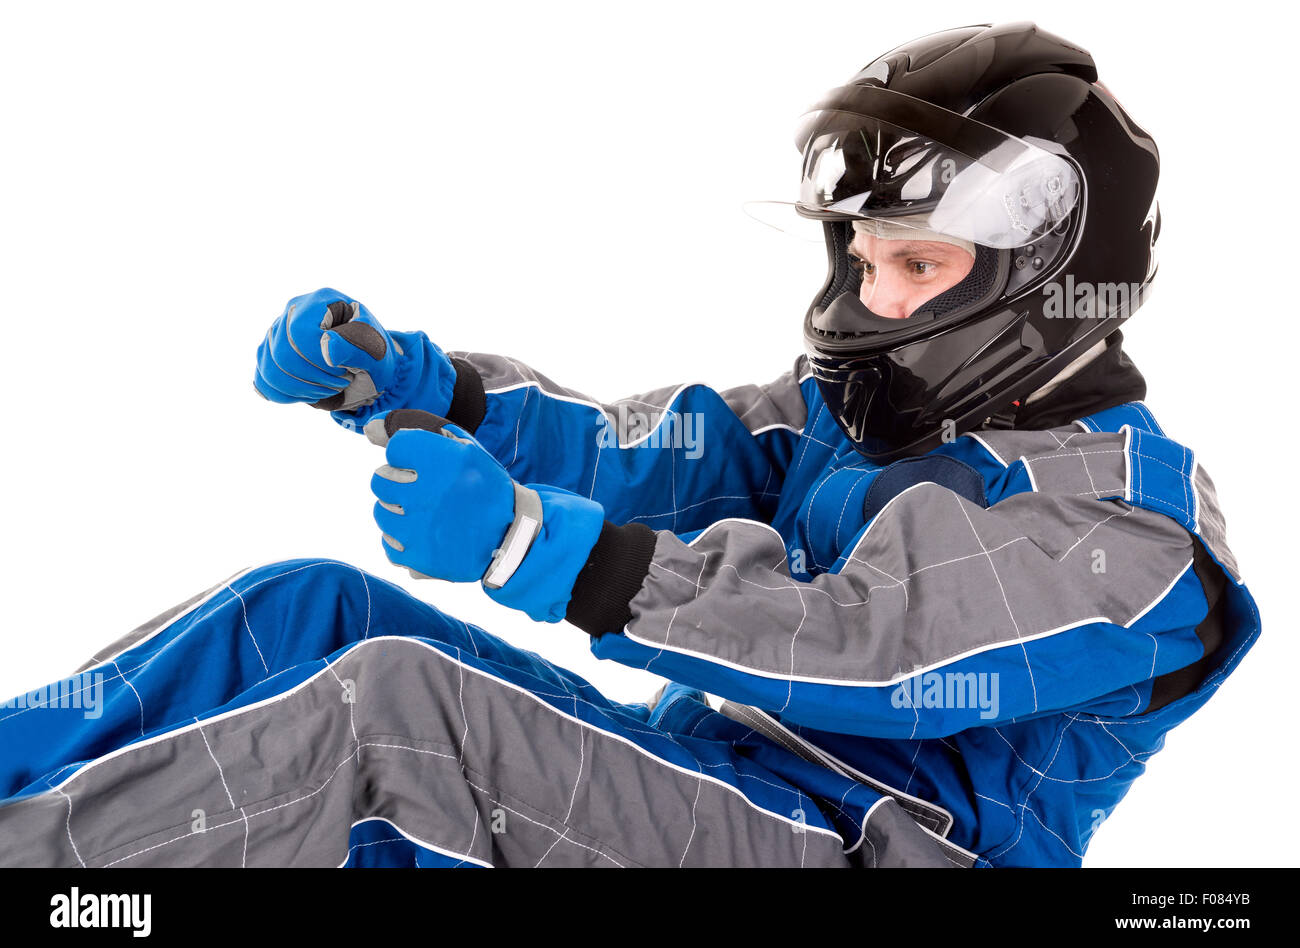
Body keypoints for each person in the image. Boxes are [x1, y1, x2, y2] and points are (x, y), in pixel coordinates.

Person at [0, 21, 1260, 868]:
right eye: (864, 259)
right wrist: (435, 393)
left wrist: (533, 549)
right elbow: (664, 456)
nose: (875, 300)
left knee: (394, 712)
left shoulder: (1124, 538)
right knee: (304, 609)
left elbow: (866, 654)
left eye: (917, 265)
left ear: (1054, 286)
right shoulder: (881, 420)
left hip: (861, 846)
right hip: (716, 784)